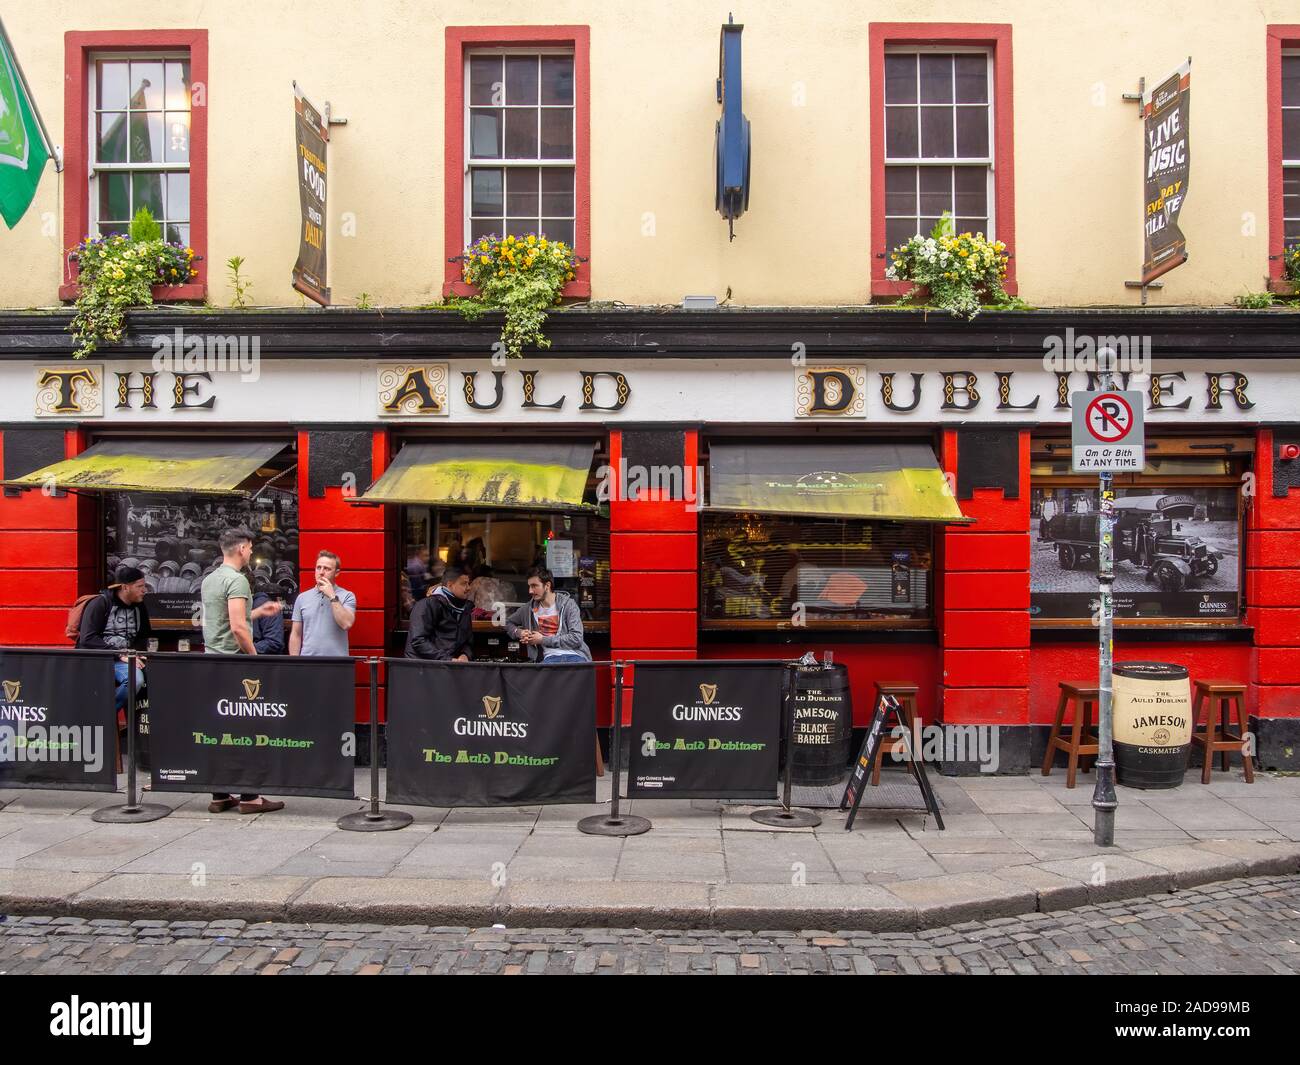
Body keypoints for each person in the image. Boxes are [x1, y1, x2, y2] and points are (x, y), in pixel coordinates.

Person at [201, 527, 285, 814]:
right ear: (240, 549)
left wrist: (258, 613)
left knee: (220, 731)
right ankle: (250, 797)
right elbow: (237, 627)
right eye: (250, 547)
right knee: (247, 731)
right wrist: (254, 657)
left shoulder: (211, 580)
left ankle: (220, 795)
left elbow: (227, 619)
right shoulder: (237, 581)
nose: (251, 552)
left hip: (212, 661)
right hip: (235, 663)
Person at [77, 565, 151, 712]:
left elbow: (144, 636)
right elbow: (87, 639)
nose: (144, 590)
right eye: (140, 586)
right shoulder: (100, 603)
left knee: (161, 675)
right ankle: (103, 714)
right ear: (125, 587)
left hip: (127, 658)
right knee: (135, 680)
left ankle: (139, 729)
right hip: (101, 659)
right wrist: (120, 653)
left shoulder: (140, 607)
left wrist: (139, 654)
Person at [505, 567, 591, 664]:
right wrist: (519, 632)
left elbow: (576, 638)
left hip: (575, 656)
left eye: (534, 586)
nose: (530, 591)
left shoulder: (568, 605)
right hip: (549, 659)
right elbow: (508, 622)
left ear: (547, 585)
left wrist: (542, 640)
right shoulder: (528, 609)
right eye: (529, 586)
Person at [290, 550, 356, 656]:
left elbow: (346, 624)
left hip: (337, 663)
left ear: (337, 573)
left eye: (327, 569)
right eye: (318, 567)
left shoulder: (347, 596)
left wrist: (332, 596)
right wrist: (294, 663)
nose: (321, 572)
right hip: (308, 662)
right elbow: (296, 634)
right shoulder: (302, 598)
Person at [405, 566, 473, 661]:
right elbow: (418, 641)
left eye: (468, 583)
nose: (468, 588)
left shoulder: (464, 608)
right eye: (464, 584)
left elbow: (467, 642)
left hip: (449, 667)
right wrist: (447, 659)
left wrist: (465, 654)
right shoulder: (426, 605)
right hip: (423, 668)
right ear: (450, 585)